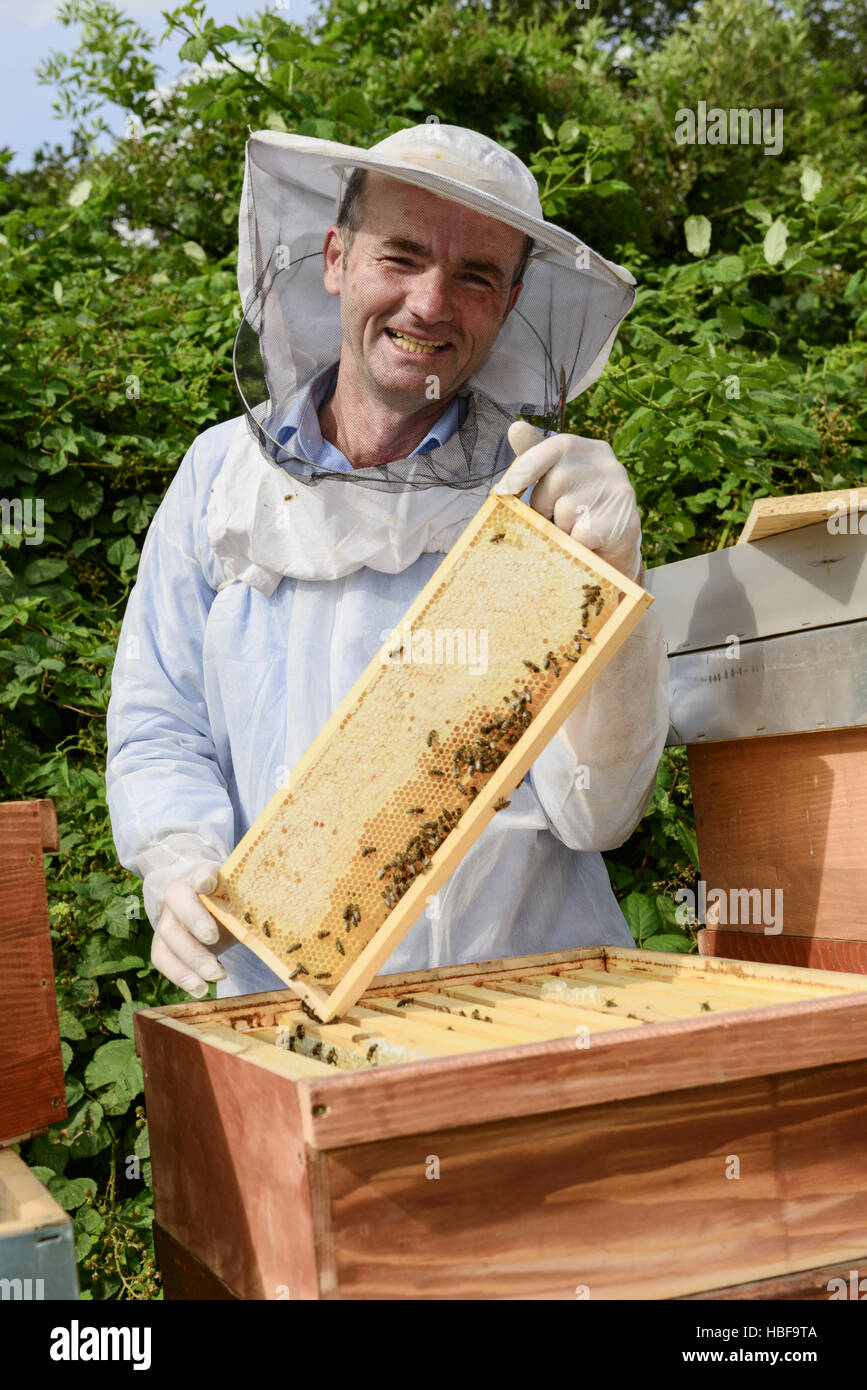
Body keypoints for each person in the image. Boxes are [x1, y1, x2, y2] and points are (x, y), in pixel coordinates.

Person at [105, 123, 669, 1000]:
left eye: (475, 275)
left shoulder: (546, 498)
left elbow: (598, 811)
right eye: (400, 256)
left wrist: (615, 581)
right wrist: (179, 859)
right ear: (335, 257)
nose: (430, 303)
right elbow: (160, 723)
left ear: (511, 298)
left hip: (521, 1011)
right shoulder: (218, 477)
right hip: (282, 1009)